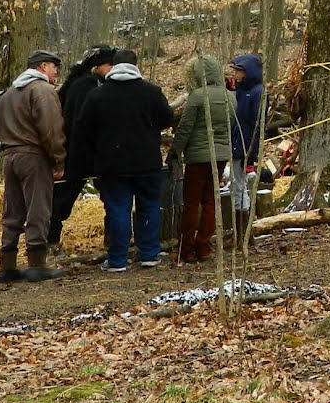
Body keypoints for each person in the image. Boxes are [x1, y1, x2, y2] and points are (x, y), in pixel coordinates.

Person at [74, 48, 176, 271]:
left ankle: (118, 260)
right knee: (149, 206)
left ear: (113, 66)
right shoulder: (151, 91)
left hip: (111, 164)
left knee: (118, 209)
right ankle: (149, 254)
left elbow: (83, 129)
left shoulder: (98, 95)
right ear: (135, 65)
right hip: (147, 161)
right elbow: (167, 118)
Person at [0, 49, 67, 283]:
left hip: (9, 156)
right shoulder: (43, 90)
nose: (56, 72)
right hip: (33, 156)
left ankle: (7, 264)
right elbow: (51, 129)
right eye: (54, 67)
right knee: (38, 209)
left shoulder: (9, 93)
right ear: (43, 67)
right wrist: (59, 158)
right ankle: (37, 263)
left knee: (12, 211)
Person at [168, 53, 236, 263]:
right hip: (221, 155)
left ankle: (186, 249)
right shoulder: (230, 96)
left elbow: (185, 128)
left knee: (191, 203)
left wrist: (174, 152)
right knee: (210, 202)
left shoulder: (197, 96)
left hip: (198, 158)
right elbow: (230, 125)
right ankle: (204, 246)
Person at [49, 45, 117, 251]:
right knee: (61, 201)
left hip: (84, 152)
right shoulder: (85, 87)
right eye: (110, 65)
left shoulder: (82, 85)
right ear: (99, 66)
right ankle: (50, 243)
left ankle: (112, 241)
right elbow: (80, 124)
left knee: (110, 199)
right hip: (80, 153)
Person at [229, 53, 266, 175]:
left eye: (238, 71)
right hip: (238, 144)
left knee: (240, 186)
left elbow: (257, 127)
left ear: (248, 72)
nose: (235, 75)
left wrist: (249, 158)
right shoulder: (243, 90)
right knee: (237, 184)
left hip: (246, 147)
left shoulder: (258, 93)